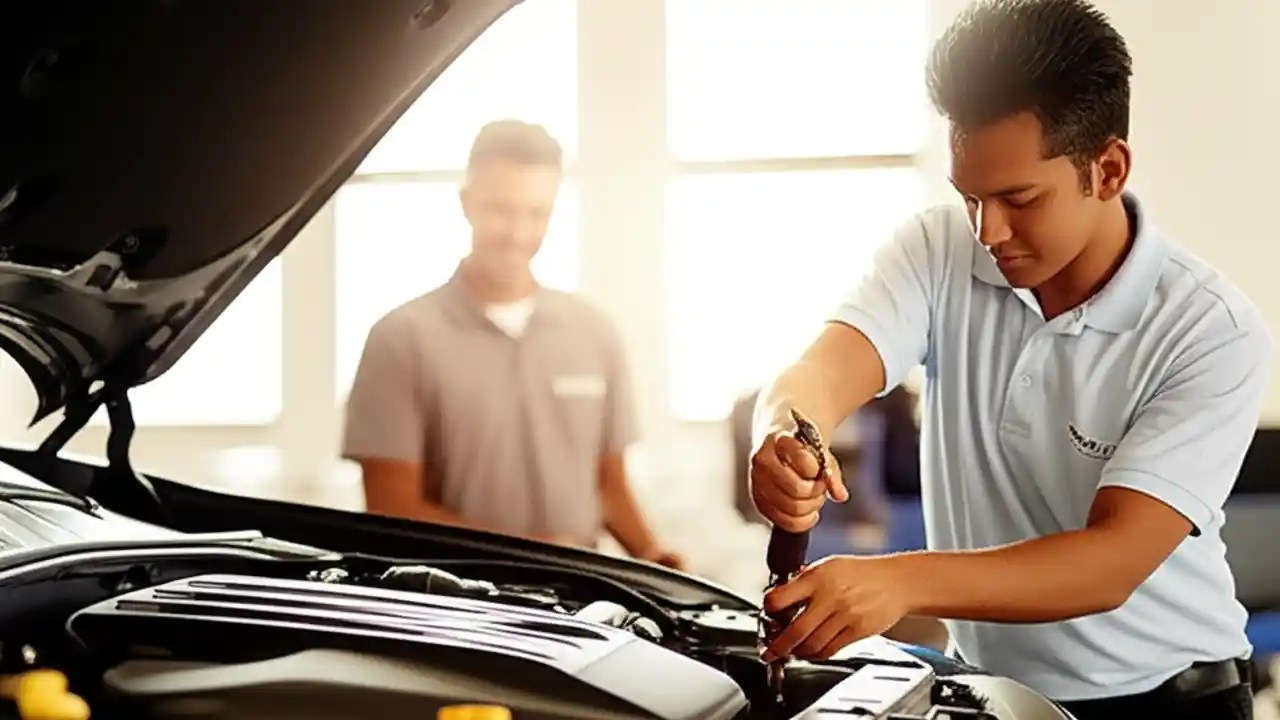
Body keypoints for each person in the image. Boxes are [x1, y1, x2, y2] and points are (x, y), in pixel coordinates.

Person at [748, 1, 1266, 717]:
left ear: (1108, 169)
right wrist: (781, 434)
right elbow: (822, 371)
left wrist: (900, 582)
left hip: (1168, 702)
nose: (988, 230)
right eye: (970, 198)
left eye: (1019, 198)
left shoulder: (1211, 331)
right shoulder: (936, 250)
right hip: (992, 694)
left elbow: (1111, 562)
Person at [341, 119, 683, 570]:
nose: (518, 233)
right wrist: (533, 554)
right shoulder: (400, 339)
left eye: (536, 213)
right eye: (501, 209)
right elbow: (391, 507)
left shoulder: (595, 332)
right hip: (457, 606)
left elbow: (608, 486)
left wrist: (653, 557)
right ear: (467, 204)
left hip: (580, 604)